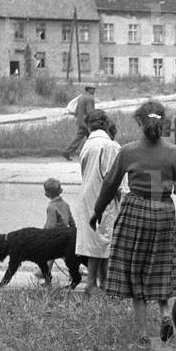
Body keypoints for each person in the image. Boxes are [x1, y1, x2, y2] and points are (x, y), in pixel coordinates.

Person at [90, 100, 176, 343]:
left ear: (139, 121)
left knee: (136, 269)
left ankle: (143, 334)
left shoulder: (128, 151)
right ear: (163, 122)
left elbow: (110, 184)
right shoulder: (174, 152)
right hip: (163, 212)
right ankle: (165, 314)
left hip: (135, 211)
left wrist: (97, 211)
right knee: (161, 266)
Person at [74, 110, 121, 296]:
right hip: (103, 197)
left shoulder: (88, 144)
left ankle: (100, 283)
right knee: (103, 241)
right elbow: (112, 177)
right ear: (105, 124)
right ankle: (94, 283)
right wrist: (123, 196)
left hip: (88, 195)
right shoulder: (108, 145)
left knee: (97, 242)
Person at [62, 84, 97, 161]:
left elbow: (77, 110)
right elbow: (90, 111)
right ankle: (67, 152)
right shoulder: (89, 98)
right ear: (88, 89)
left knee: (89, 138)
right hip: (87, 122)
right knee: (92, 137)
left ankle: (90, 153)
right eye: (93, 89)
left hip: (80, 120)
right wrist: (95, 119)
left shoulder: (81, 97)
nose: (94, 90)